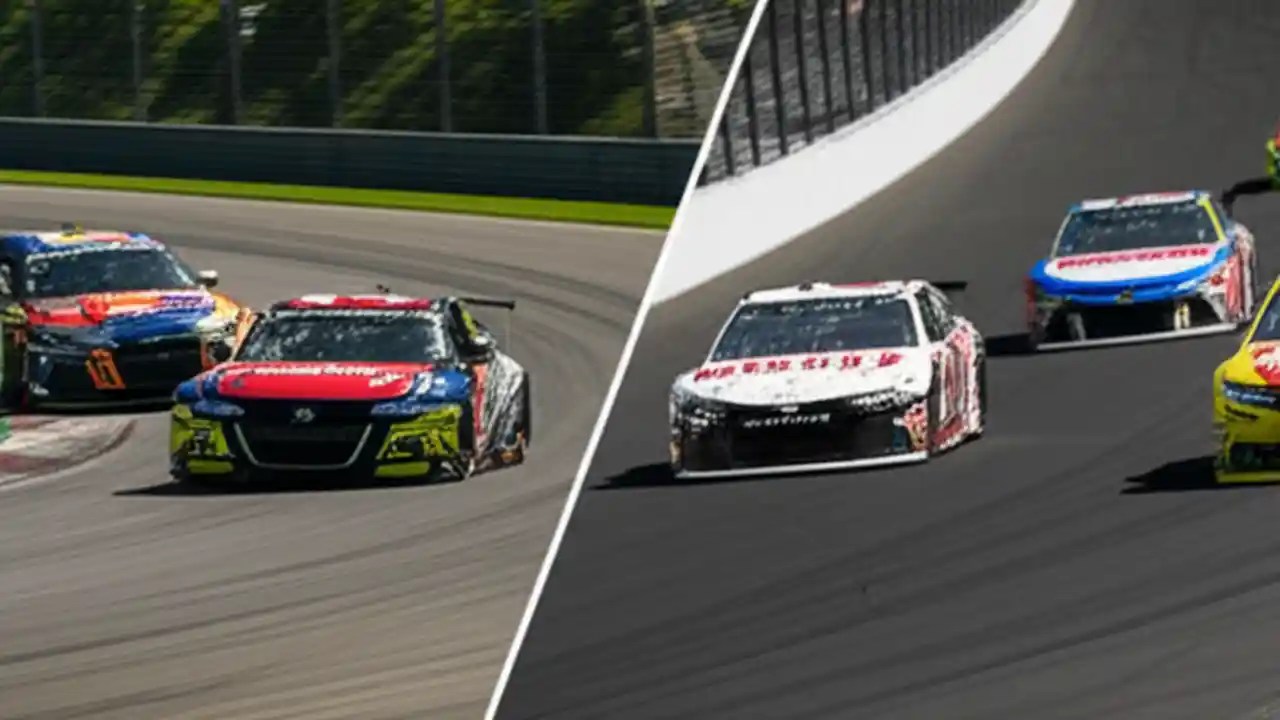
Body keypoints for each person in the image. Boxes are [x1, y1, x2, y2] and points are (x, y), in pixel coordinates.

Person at [1221, 123, 1280, 215]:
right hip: (1276, 179)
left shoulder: (1272, 147)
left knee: (1262, 185)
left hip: (1275, 179)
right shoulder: (1273, 147)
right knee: (1262, 185)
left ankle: (1233, 192)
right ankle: (1233, 193)